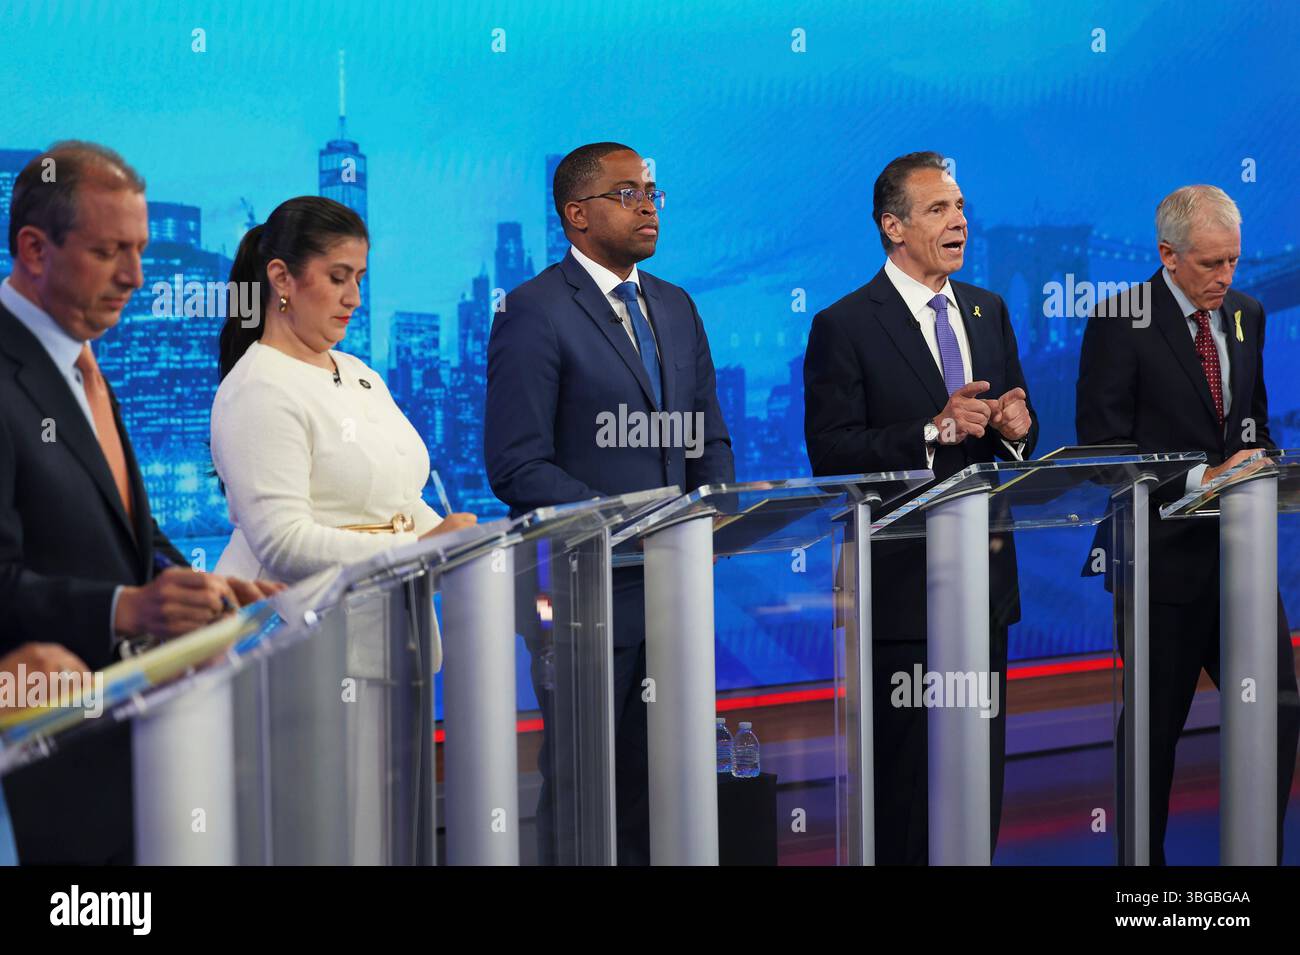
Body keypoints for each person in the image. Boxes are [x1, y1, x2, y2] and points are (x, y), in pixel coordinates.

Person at [0, 141, 275, 864]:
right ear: (34, 248)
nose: (136, 277)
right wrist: (127, 607)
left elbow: (130, 531)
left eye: (141, 250)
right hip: (34, 769)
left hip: (125, 750)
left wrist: (204, 590)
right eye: (109, 251)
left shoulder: (79, 362)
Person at [485, 142, 734, 864]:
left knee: (668, 788)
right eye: (627, 193)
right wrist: (635, 524)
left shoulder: (677, 307)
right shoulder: (534, 311)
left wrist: (710, 511)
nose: (648, 204)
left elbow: (708, 436)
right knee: (587, 791)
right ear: (577, 214)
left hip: (676, 590)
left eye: (652, 190)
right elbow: (516, 463)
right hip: (586, 595)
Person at [803, 150, 1038, 864]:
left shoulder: (987, 309)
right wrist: (933, 430)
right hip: (904, 594)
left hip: (984, 582)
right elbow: (833, 453)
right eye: (939, 209)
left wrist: (1019, 429)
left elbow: (1020, 424)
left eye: (961, 206)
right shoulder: (844, 324)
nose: (960, 220)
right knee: (908, 792)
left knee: (979, 781)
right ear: (893, 226)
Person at [1076, 184, 1299, 864]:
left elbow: (1249, 427)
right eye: (1210, 264)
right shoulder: (1119, 320)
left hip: (1242, 559)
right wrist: (1203, 480)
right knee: (1151, 733)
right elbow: (1102, 452)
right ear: (1168, 255)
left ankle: (1258, 855)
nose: (1225, 278)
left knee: (1280, 709)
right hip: (1160, 564)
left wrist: (1263, 463)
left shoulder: (1249, 314)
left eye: (1233, 261)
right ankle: (1144, 880)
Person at [212, 195, 476, 589]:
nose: (354, 297)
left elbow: (399, 504)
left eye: (359, 278)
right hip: (297, 631)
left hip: (389, 621)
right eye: (338, 278)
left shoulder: (359, 373)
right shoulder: (258, 388)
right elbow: (283, 543)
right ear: (282, 278)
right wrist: (416, 549)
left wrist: (462, 546)